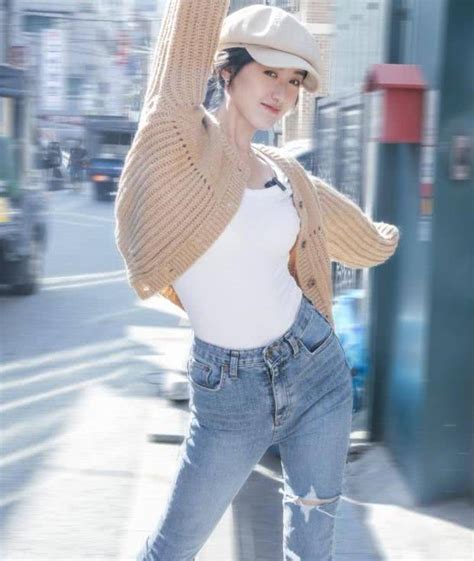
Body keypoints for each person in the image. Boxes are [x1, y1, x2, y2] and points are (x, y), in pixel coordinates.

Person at [114, 2, 401, 560]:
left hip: (315, 372)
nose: (282, 91)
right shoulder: (181, 143)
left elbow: (344, 228)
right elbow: (183, 46)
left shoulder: (284, 172)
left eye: (294, 81)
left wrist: (384, 240)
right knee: (171, 549)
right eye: (269, 71)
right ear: (227, 70)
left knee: (311, 551)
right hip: (229, 398)